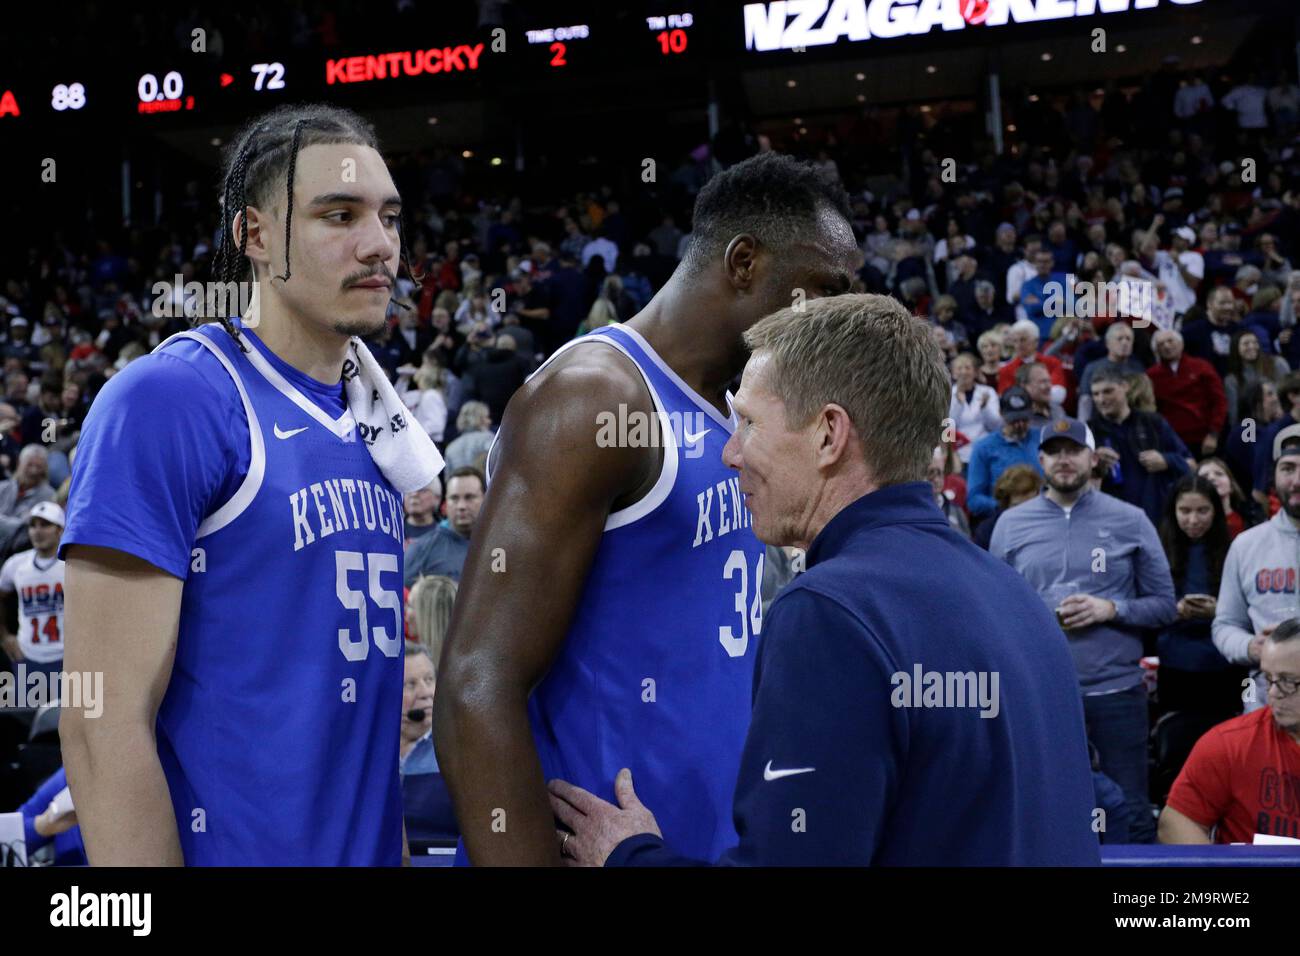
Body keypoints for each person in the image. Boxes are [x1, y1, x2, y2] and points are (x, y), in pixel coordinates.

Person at [547, 295, 1100, 866]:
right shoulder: (1017, 598)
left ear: (829, 434)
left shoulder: (831, 613)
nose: (731, 453)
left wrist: (629, 858)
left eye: (751, 424)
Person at [435, 152, 862, 866]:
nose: (830, 318)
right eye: (821, 289)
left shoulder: (738, 411)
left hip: (699, 843)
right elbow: (475, 687)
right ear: (745, 262)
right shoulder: (594, 397)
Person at [58, 104, 442, 866]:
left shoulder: (380, 423)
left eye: (390, 218)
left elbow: (366, 729)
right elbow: (100, 719)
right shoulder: (172, 399)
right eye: (340, 215)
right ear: (255, 237)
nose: (380, 246)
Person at [992, 418, 1178, 843]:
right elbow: (994, 608)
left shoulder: (1131, 519)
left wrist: (1110, 608)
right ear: (1040, 460)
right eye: (1054, 451)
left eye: (1073, 450)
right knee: (1042, 807)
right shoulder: (1010, 525)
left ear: (1092, 459)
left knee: (1130, 809)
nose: (1064, 460)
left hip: (1115, 693)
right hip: (1039, 694)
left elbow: (1166, 605)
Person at [1158, 616, 1300, 844]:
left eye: (1288, 681)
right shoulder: (1227, 743)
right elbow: (1177, 822)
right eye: (1268, 678)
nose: (1273, 693)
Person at [1214, 423, 1300, 714]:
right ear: (1274, 477)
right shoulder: (1246, 545)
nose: (1297, 481)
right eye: (1287, 468)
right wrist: (1251, 646)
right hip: (1265, 706)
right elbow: (1225, 624)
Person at [1156, 475, 1244, 719]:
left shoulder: (1236, 548)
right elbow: (1147, 604)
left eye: (1202, 511)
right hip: (1175, 663)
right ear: (1173, 510)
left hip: (1224, 662)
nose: (1193, 520)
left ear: (1216, 511)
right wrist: (1175, 610)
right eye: (1184, 511)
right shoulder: (1158, 548)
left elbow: (1249, 606)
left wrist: (1221, 610)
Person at [1088, 367, 1192, 527]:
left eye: (1108, 391)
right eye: (1096, 394)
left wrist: (1166, 460)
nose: (1101, 399)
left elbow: (1191, 464)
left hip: (1156, 518)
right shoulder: (1088, 431)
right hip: (1110, 521)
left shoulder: (1153, 423)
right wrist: (1093, 462)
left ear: (1125, 387)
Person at [400, 641, 458, 844]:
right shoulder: (372, 753)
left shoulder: (457, 749)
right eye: (410, 684)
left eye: (429, 679)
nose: (425, 692)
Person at [0, 502, 66, 676]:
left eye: (45, 525)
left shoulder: (73, 566)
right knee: (25, 703)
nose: (37, 531)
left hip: (67, 657)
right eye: (33, 525)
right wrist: (4, 636)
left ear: (60, 530)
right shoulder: (15, 564)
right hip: (27, 657)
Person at [1147, 328, 1227, 458]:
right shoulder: (1151, 375)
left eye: (1170, 341)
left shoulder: (1201, 367)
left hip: (1203, 438)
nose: (1166, 346)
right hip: (1171, 440)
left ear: (1181, 343)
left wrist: (1214, 434)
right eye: (1161, 344)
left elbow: (1219, 401)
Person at [966, 386, 1041, 518]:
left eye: (1024, 419)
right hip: (1003, 516)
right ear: (1001, 413)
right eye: (1014, 420)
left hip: (1042, 513)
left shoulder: (1042, 439)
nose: (1020, 425)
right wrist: (1004, 506)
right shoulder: (983, 448)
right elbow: (974, 500)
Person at [404, 467, 483, 585]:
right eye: (454, 498)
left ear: (486, 498)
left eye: (469, 497)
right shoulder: (422, 549)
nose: (461, 506)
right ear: (445, 502)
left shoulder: (502, 546)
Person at [1077, 322, 1145, 424]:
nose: (1124, 342)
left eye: (1128, 339)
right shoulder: (1092, 368)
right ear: (1108, 343)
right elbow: (1085, 402)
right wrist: (1084, 427)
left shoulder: (1138, 367)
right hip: (1101, 425)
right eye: (1120, 339)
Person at [972, 463, 1042, 551]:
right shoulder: (988, 531)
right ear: (1006, 504)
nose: (1024, 512)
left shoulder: (1047, 526)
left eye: (1030, 506)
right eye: (1018, 507)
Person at [947, 352, 1000, 465]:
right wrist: (958, 403)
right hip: (959, 456)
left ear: (975, 372)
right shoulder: (947, 395)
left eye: (967, 368)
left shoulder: (988, 392)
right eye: (959, 368)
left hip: (986, 452)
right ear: (953, 373)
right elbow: (947, 431)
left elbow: (996, 426)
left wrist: (985, 408)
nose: (963, 372)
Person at [1197, 457, 1257, 539]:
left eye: (1219, 474)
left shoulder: (1253, 518)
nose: (1212, 478)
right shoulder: (1193, 523)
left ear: (1231, 486)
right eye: (1204, 476)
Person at [442, 401, 493, 474]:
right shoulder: (488, 438)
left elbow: (448, 479)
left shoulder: (451, 447)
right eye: (487, 417)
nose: (489, 421)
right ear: (479, 419)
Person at [403, 477, 442, 546]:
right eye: (409, 489)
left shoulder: (445, 534)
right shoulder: (393, 530)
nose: (414, 494)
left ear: (437, 498)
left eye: (422, 489)